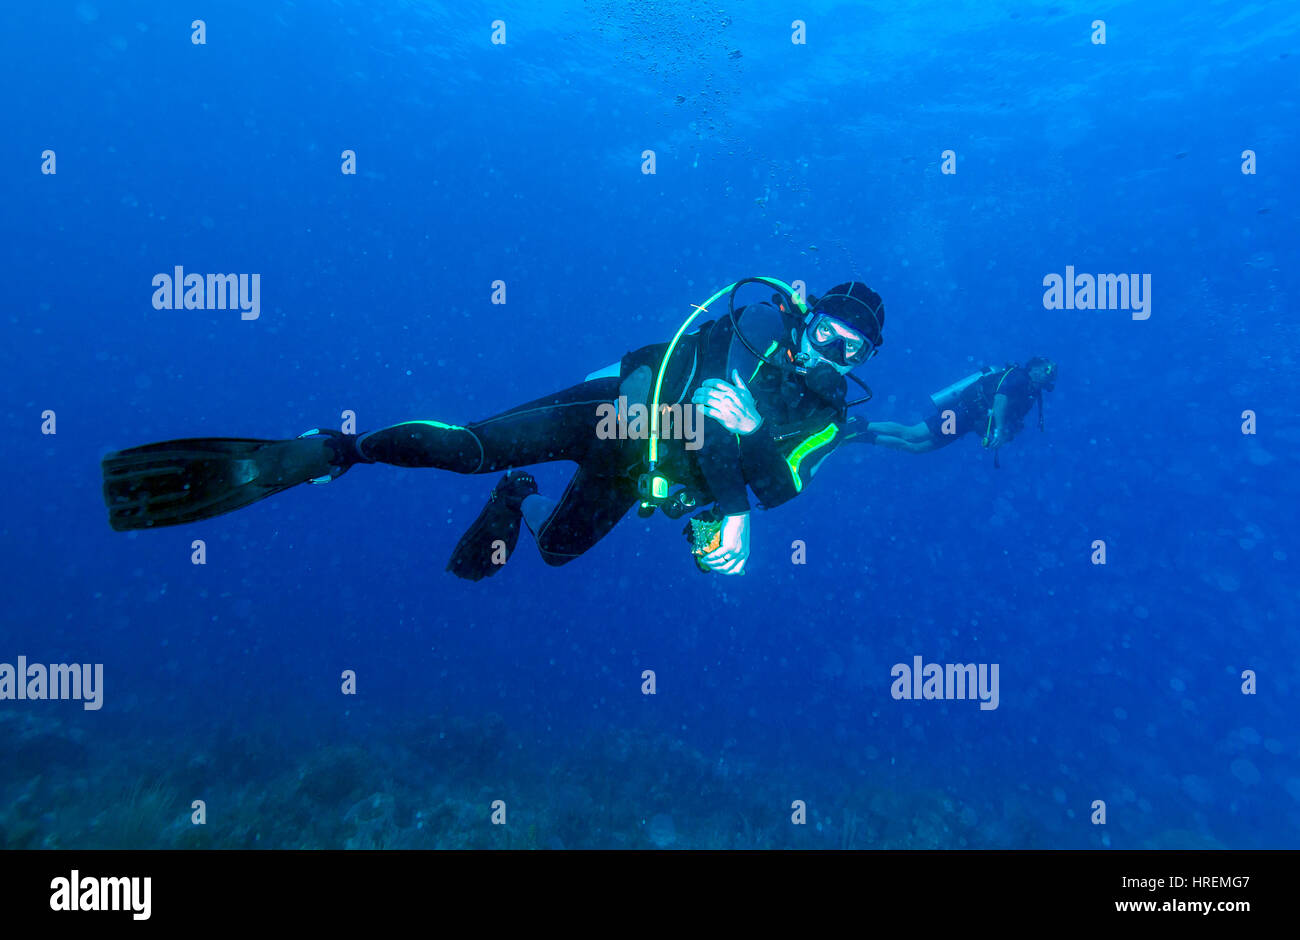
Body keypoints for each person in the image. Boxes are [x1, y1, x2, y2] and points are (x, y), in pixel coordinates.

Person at [102, 278, 886, 579]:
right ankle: (332, 451)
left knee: (551, 552)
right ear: (803, 318)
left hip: (645, 483)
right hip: (615, 417)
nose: (828, 357)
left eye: (849, 352)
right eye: (825, 335)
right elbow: (654, 365)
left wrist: (734, 503)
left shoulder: (827, 416)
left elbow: (780, 489)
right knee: (469, 448)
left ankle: (516, 501)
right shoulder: (748, 329)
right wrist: (697, 450)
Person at [845, 357, 1056, 456]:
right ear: (1034, 368)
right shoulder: (1019, 378)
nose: (1050, 374)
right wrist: (1000, 429)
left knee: (918, 448)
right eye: (1046, 369)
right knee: (913, 434)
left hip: (968, 421)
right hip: (961, 412)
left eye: (1052, 373)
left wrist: (1004, 433)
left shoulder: (1030, 394)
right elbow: (1000, 400)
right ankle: (863, 424)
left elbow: (1012, 418)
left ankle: (862, 437)